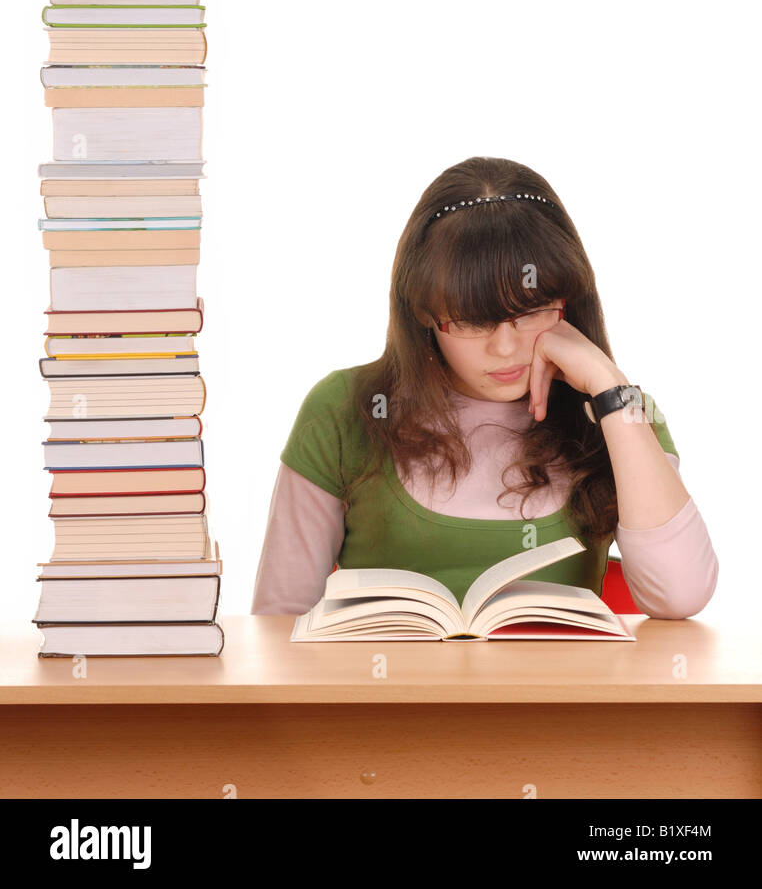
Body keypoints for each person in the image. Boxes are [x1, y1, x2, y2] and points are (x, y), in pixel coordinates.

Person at [251, 156, 718, 619]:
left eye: (531, 311)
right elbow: (278, 623)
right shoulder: (341, 410)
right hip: (387, 695)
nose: (505, 347)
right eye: (474, 320)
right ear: (423, 314)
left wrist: (609, 387)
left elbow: (681, 596)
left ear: (568, 301)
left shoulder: (621, 415)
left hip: (559, 696)